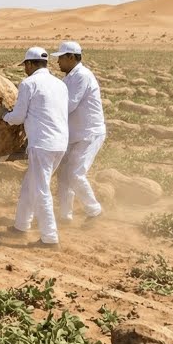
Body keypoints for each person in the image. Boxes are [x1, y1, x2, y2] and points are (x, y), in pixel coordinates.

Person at [2, 47, 69, 246]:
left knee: (41, 189)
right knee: (30, 185)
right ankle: (21, 225)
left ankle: (50, 238)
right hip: (60, 142)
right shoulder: (60, 84)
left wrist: (3, 115)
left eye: (25, 66)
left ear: (30, 64)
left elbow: (18, 117)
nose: (25, 69)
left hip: (42, 144)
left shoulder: (29, 83)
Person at [51, 41, 106, 223]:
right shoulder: (68, 78)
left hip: (88, 133)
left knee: (75, 173)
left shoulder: (82, 76)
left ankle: (95, 211)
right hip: (74, 134)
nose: (58, 61)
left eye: (61, 57)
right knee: (64, 175)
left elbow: (69, 105)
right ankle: (65, 216)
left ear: (72, 57)